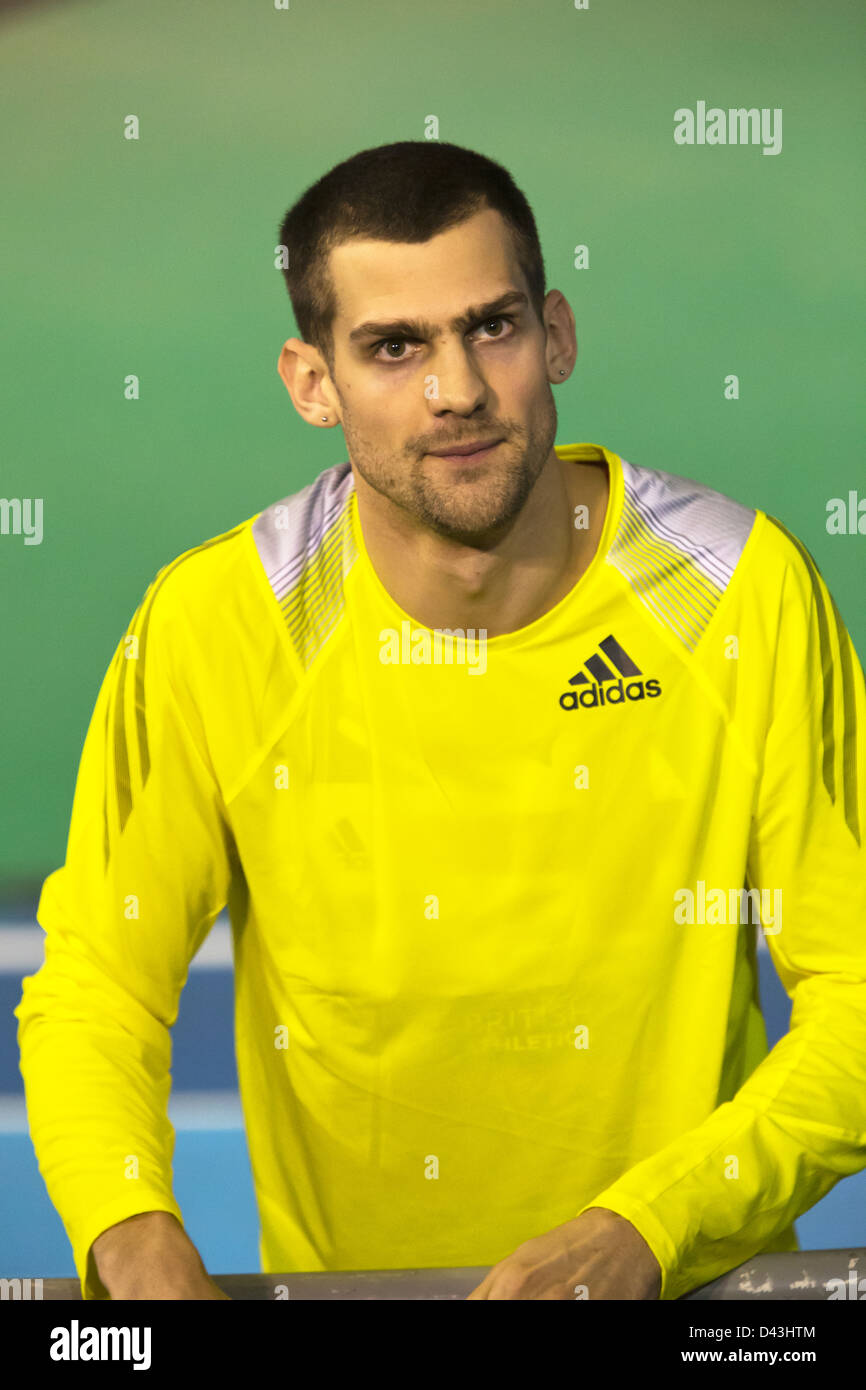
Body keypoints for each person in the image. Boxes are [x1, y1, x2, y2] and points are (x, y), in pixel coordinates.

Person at [16, 140, 866, 1302]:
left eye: (492, 327)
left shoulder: (740, 593)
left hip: (682, 1304)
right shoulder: (214, 624)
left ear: (555, 334)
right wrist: (132, 1233)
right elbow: (100, 983)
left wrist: (646, 1229)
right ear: (312, 382)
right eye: (393, 346)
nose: (455, 387)